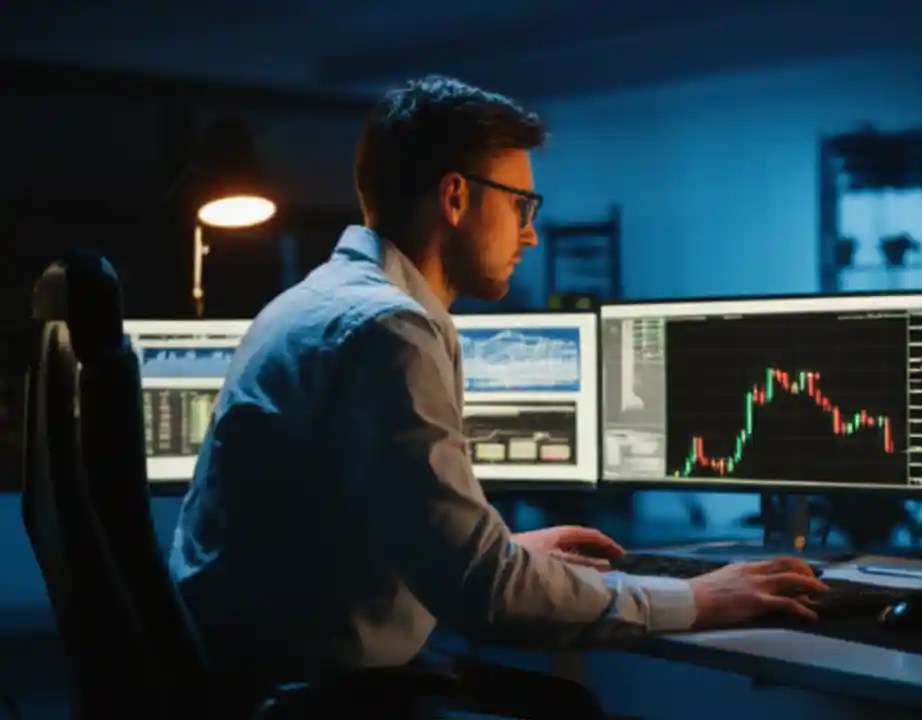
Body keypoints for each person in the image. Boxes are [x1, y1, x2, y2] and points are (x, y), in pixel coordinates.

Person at [169, 75, 827, 685]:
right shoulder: (389, 332)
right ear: (456, 198)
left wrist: (504, 548)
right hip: (308, 690)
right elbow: (483, 593)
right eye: (522, 206)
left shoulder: (312, 302)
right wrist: (696, 598)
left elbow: (340, 531)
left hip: (245, 666)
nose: (533, 235)